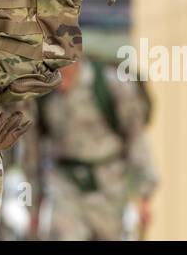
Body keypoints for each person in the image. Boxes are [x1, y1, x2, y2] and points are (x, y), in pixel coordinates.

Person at [38, 52, 157, 240]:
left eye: (65, 72)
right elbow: (33, 150)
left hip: (108, 187)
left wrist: (144, 196)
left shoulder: (111, 85)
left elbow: (136, 138)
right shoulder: (43, 91)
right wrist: (34, 208)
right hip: (65, 184)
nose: (61, 82)